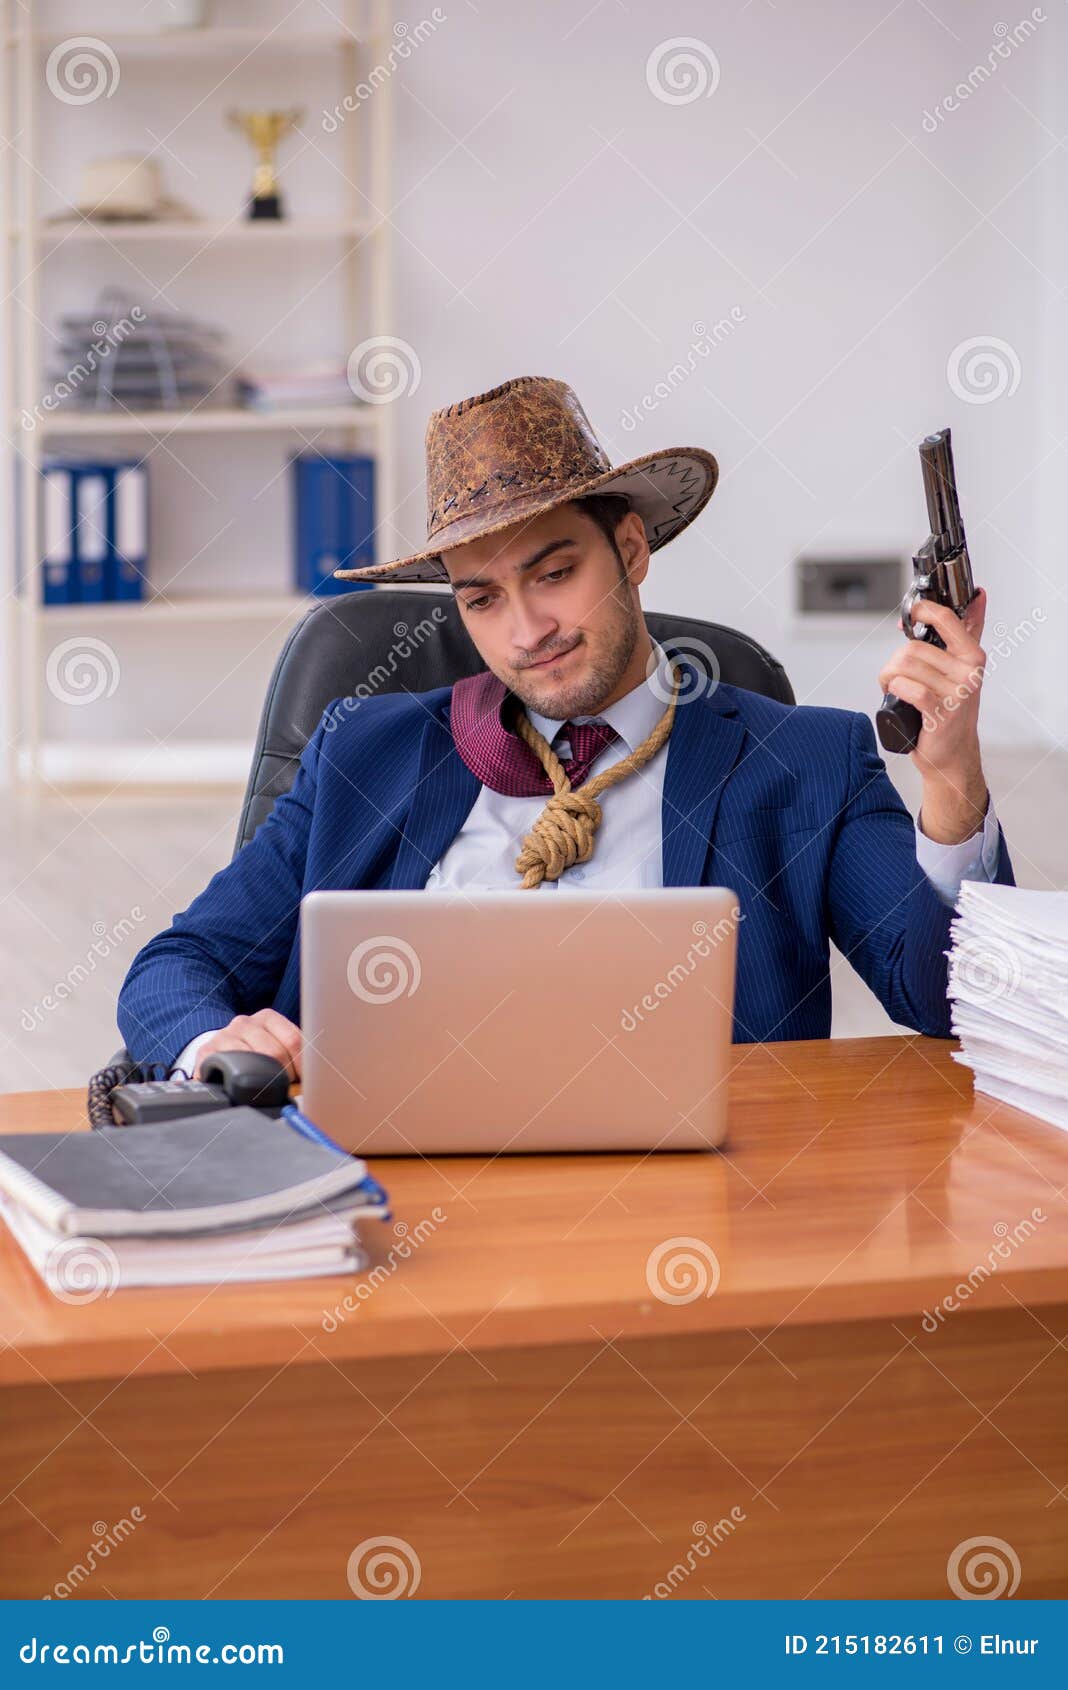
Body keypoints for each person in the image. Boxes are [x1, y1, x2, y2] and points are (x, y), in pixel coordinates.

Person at [117, 375, 1013, 1079]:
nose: (525, 632)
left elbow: (950, 1000)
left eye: (553, 574)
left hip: (699, 1217)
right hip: (397, 1205)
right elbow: (178, 966)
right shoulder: (363, 750)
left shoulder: (805, 760)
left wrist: (950, 777)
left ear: (629, 551)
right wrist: (217, 1048)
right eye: (483, 599)